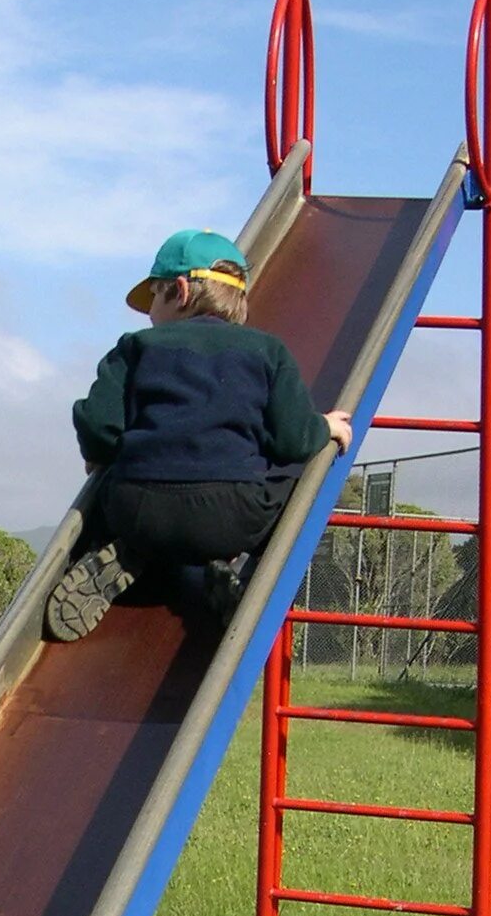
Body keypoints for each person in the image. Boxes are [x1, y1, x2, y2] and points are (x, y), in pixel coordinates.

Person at [46, 228, 352, 641]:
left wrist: (101, 453)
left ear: (180, 290)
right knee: (301, 483)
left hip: (138, 511)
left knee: (118, 478)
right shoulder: (267, 351)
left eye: (153, 296)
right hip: (233, 517)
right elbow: (293, 439)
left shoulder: (135, 347)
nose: (148, 311)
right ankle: (244, 577)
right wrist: (324, 426)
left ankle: (131, 553)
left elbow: (98, 423)